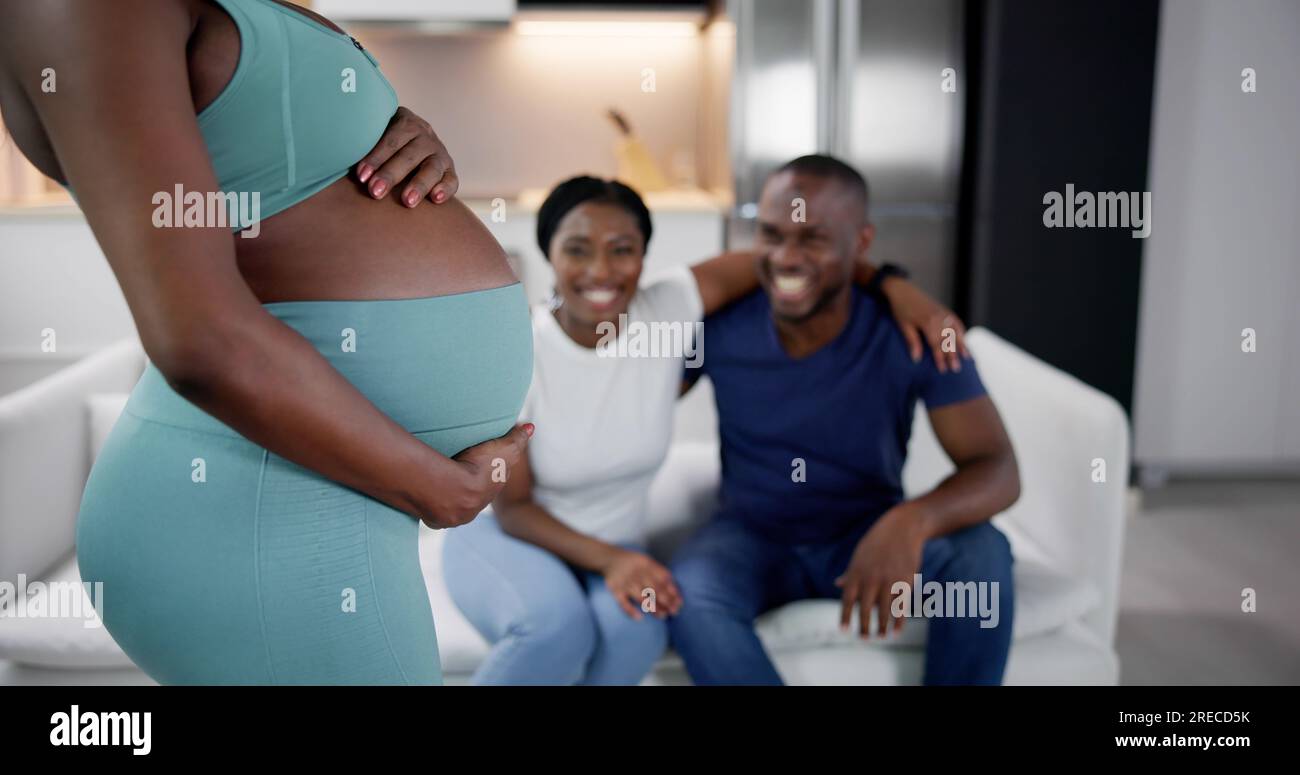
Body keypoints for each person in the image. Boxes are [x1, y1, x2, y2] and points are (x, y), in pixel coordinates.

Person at [0, 0, 533, 684]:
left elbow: (266, 151)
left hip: (325, 496)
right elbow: (197, 339)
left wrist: (383, 130)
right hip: (258, 501)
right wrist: (438, 486)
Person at [442, 175, 970, 684]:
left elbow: (787, 258)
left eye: (622, 249)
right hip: (517, 540)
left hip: (617, 545)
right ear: (548, 254)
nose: (600, 270)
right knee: (555, 631)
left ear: (644, 258)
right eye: (577, 249)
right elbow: (515, 509)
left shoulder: (669, 310)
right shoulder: (516, 355)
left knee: (638, 632)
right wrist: (617, 561)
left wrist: (894, 285)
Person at [668, 155, 1022, 685]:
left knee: (983, 555)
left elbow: (997, 468)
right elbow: (625, 378)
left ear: (860, 243)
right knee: (691, 595)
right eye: (771, 234)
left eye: (812, 238)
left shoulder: (913, 333)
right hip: (751, 535)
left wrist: (912, 520)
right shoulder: (719, 323)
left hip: (866, 529)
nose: (786, 256)